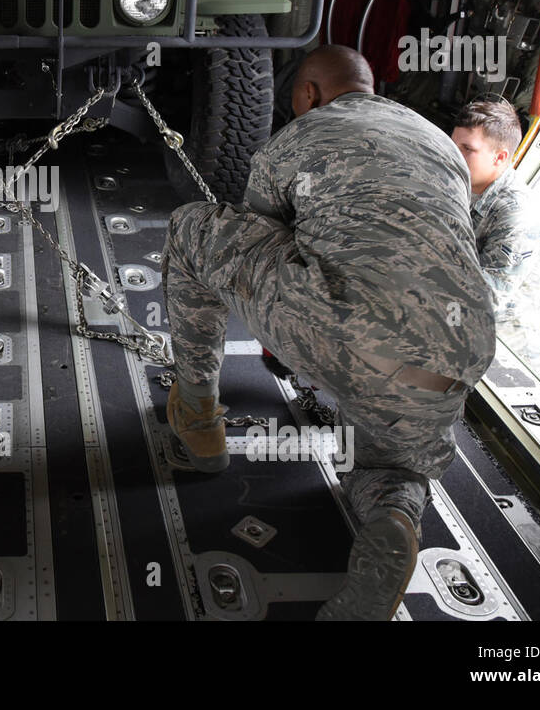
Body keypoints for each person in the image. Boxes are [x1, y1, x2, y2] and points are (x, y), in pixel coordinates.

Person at [162, 45, 495, 620]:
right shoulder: (438, 142)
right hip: (459, 351)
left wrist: (298, 340)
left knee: (195, 229)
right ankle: (392, 522)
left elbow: (255, 236)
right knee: (394, 468)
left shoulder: (295, 139)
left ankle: (197, 424)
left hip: (347, 330)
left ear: (309, 94)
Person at [451, 98, 540, 322]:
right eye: (453, 144)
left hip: (503, 334)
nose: (455, 154)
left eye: (468, 149)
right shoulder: (459, 183)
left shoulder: (518, 217)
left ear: (500, 157)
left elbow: (482, 301)